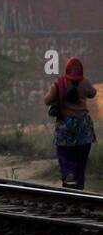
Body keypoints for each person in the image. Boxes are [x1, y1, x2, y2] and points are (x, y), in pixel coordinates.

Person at [46, 57, 96, 189]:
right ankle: (79, 186)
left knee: (65, 153)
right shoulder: (84, 82)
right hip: (83, 125)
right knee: (81, 158)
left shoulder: (59, 83)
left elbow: (47, 100)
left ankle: (68, 174)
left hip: (65, 125)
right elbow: (93, 93)